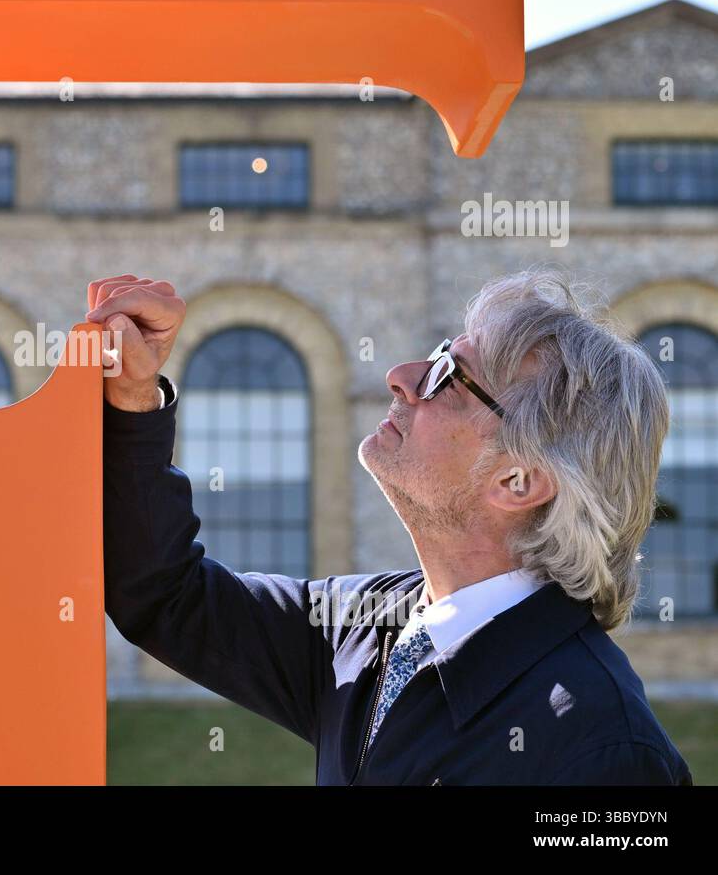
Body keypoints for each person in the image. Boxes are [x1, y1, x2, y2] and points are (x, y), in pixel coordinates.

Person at [85, 268, 692, 785]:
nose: (400, 376)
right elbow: (164, 595)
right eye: (435, 357)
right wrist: (134, 400)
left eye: (447, 377)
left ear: (519, 481)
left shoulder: (605, 748)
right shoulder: (363, 626)